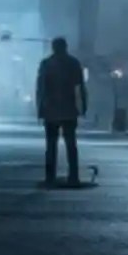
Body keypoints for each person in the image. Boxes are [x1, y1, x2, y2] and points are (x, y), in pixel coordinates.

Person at [36, 36, 87, 187]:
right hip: (69, 109)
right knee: (71, 145)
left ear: (53, 48)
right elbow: (80, 87)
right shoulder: (73, 63)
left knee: (51, 146)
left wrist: (40, 108)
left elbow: (41, 88)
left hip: (51, 110)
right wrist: (83, 106)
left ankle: (50, 176)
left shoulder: (46, 64)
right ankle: (73, 176)